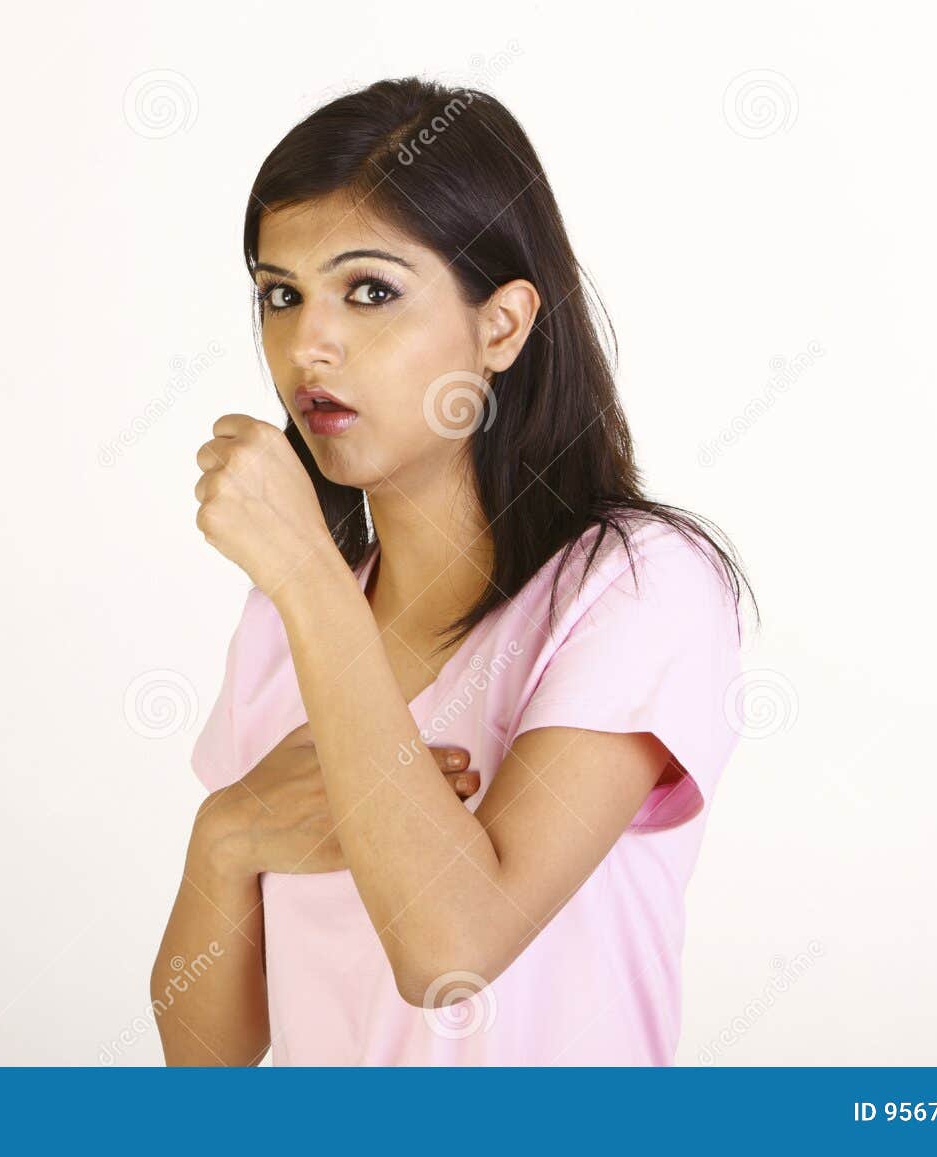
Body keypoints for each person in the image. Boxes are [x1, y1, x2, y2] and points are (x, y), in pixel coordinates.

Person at [155, 77, 759, 1066]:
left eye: (370, 290)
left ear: (501, 326)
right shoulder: (280, 620)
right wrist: (226, 837)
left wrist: (309, 577)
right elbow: (203, 1061)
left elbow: (449, 952)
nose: (307, 345)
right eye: (280, 294)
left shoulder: (635, 586)